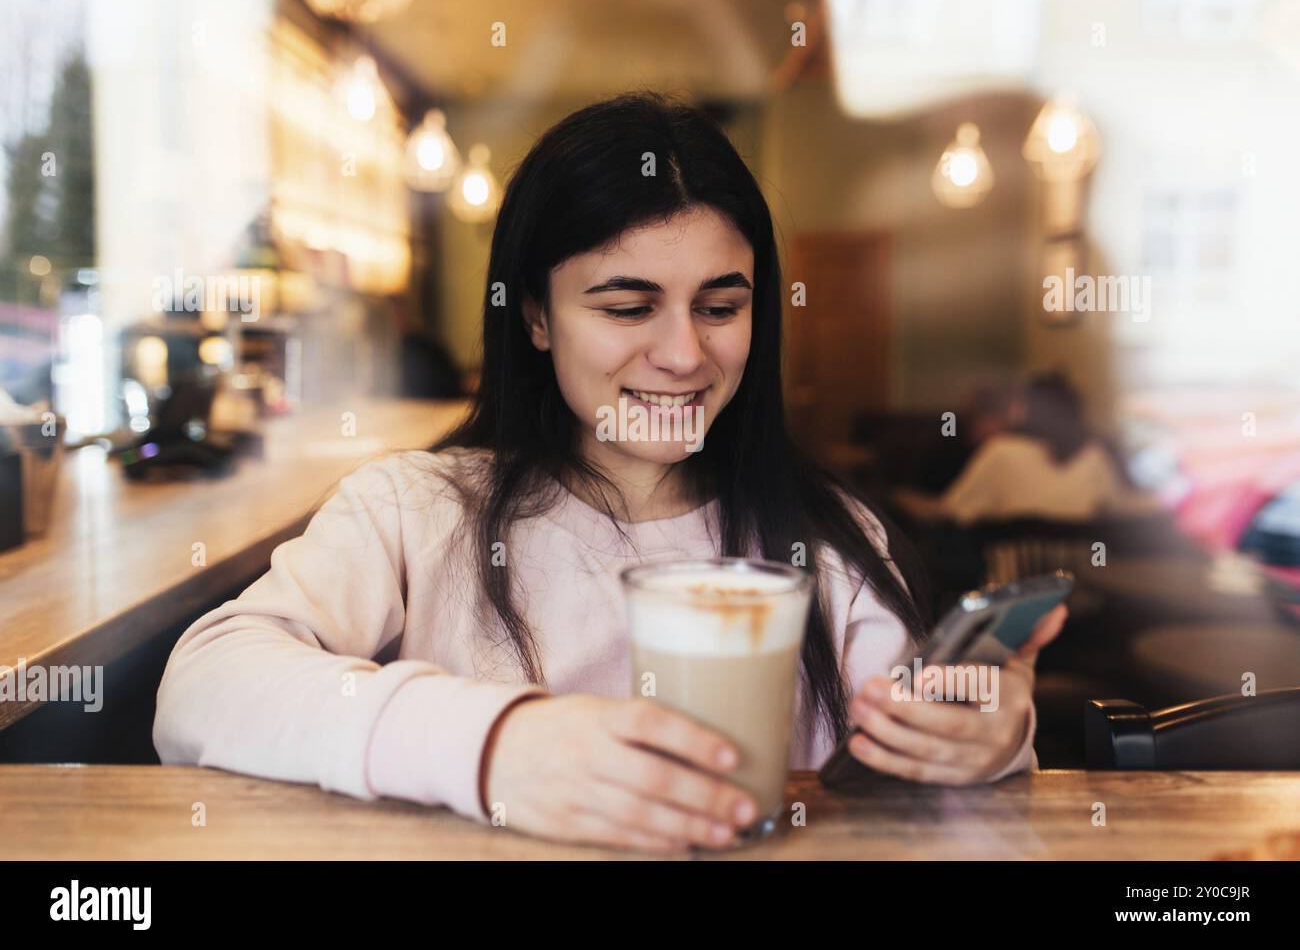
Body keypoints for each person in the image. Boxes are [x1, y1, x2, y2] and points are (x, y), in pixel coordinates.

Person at [153, 92, 1065, 854]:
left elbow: (920, 776)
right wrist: (497, 746)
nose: (682, 354)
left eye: (719, 305)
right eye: (628, 306)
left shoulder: (833, 543)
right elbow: (201, 690)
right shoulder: (415, 511)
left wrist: (987, 733)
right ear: (538, 318)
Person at [897, 374, 1144, 526]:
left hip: (1015, 590)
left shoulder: (1002, 451)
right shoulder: (1094, 455)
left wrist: (903, 502)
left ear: (1024, 410)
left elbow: (952, 512)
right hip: (1080, 585)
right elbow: (1119, 510)